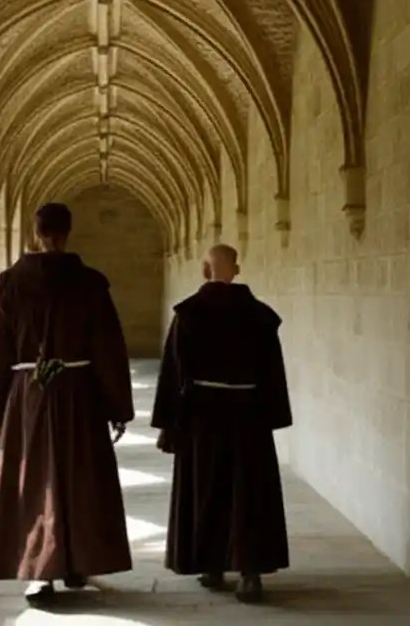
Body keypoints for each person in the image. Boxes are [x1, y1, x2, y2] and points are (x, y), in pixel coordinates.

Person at [0, 203, 135, 603]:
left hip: (29, 394)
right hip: (80, 394)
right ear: (67, 232)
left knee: (35, 478)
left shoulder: (9, 283)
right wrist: (117, 407)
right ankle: (76, 561)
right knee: (80, 478)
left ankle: (41, 573)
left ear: (35, 233)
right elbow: (109, 346)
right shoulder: (91, 283)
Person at [152, 244, 292, 603]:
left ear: (204, 270)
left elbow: (173, 371)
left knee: (207, 489)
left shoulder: (189, 313)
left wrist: (169, 423)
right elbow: (273, 372)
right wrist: (273, 415)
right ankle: (249, 573)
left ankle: (210, 565)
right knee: (248, 492)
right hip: (248, 414)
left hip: (202, 415)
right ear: (237, 269)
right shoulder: (260, 316)